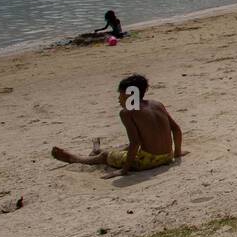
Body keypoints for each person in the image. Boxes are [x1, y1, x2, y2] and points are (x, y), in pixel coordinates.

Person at [51, 74, 184, 176]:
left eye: (121, 95)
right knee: (124, 148)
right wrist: (177, 153)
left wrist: (124, 170)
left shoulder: (127, 113)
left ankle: (76, 158)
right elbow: (176, 129)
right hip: (167, 155)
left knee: (105, 156)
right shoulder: (157, 104)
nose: (118, 99)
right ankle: (97, 150)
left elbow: (135, 142)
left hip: (147, 162)